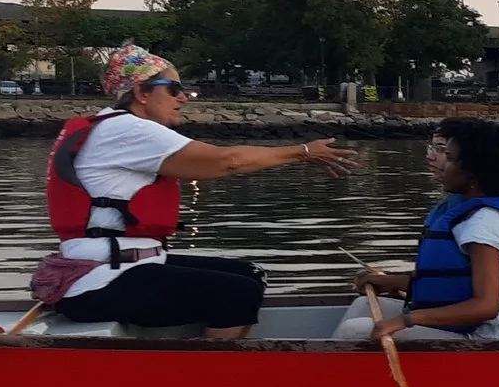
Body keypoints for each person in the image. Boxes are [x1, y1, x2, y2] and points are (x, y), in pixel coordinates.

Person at [34, 43, 359, 336]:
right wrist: (302, 152)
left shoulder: (110, 127)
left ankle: (199, 355)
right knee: (238, 293)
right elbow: (227, 162)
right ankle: (213, 374)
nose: (184, 97)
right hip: (98, 280)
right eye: (174, 88)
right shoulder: (127, 130)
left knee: (251, 274)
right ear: (141, 92)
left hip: (120, 266)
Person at [338, 118, 499, 342]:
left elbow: (486, 306)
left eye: (450, 158)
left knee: (355, 330)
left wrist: (407, 320)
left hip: (488, 337)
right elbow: (450, 284)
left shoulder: (485, 225)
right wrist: (391, 282)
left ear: (472, 172)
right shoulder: (468, 211)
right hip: (464, 328)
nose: (442, 165)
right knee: (363, 305)